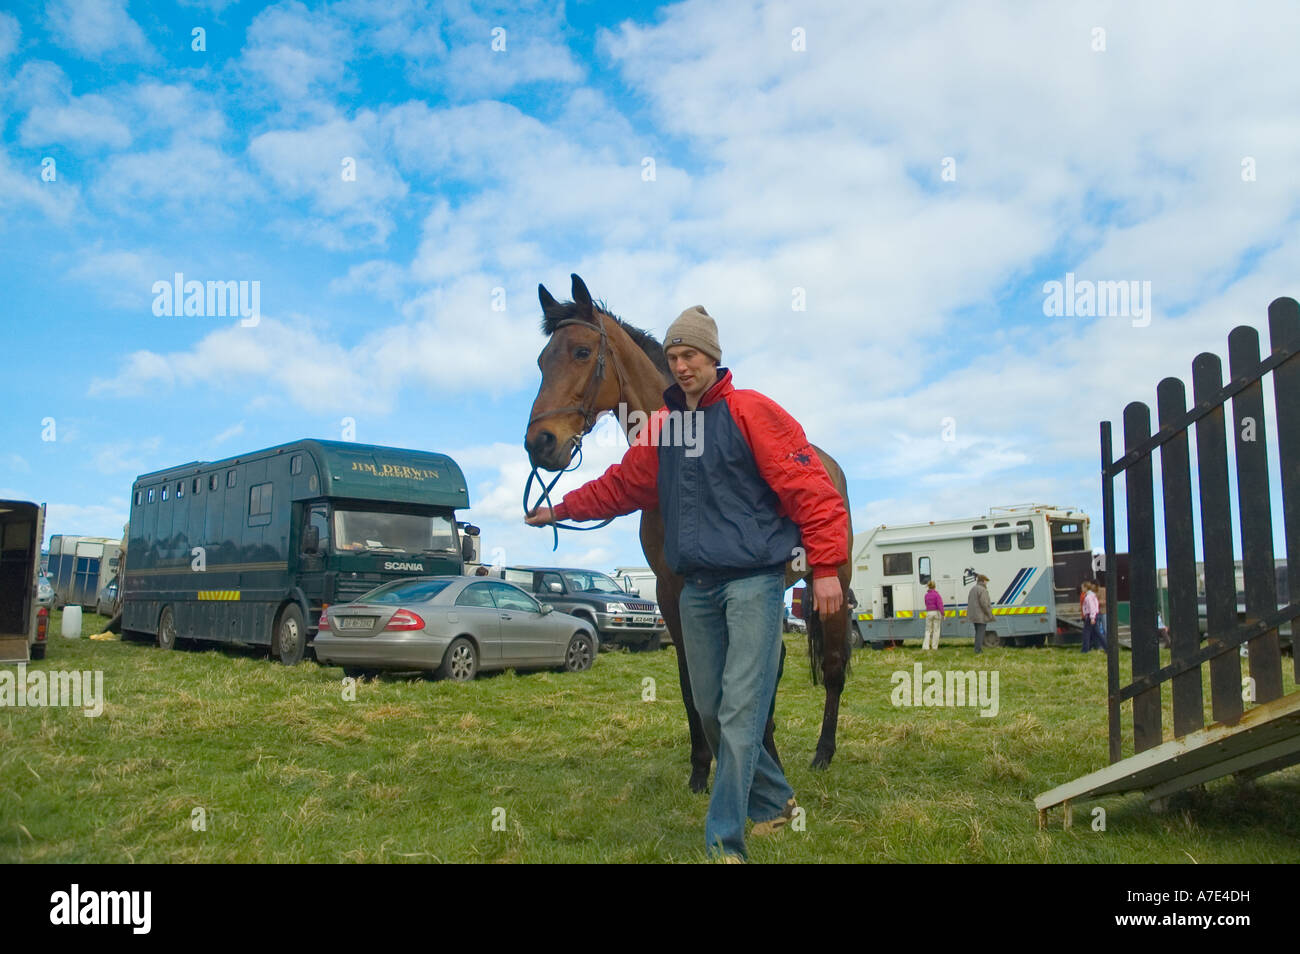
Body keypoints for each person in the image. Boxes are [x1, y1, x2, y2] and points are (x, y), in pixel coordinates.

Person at [525, 304, 848, 861]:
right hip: (696, 588)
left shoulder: (754, 413)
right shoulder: (665, 431)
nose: (681, 366)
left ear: (713, 359)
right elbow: (622, 486)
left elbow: (812, 493)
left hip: (751, 582)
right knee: (708, 707)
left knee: (740, 707)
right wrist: (561, 511)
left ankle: (725, 840)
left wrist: (824, 570)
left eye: (690, 355)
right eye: (673, 357)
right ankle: (775, 802)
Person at [967, 574, 992, 654]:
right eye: (986, 581)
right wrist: (989, 614)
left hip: (974, 615)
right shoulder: (982, 589)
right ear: (983, 581)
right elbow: (984, 603)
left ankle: (977, 649)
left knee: (977, 632)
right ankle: (978, 650)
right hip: (981, 615)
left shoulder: (973, 589)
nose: (986, 583)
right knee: (980, 633)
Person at [922, 579, 944, 650]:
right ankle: (934, 647)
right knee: (936, 630)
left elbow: (926, 603)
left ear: (928, 587)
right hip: (936, 613)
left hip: (929, 613)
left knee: (928, 630)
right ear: (934, 586)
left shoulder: (926, 595)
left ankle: (926, 647)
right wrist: (943, 614)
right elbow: (940, 605)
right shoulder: (937, 595)